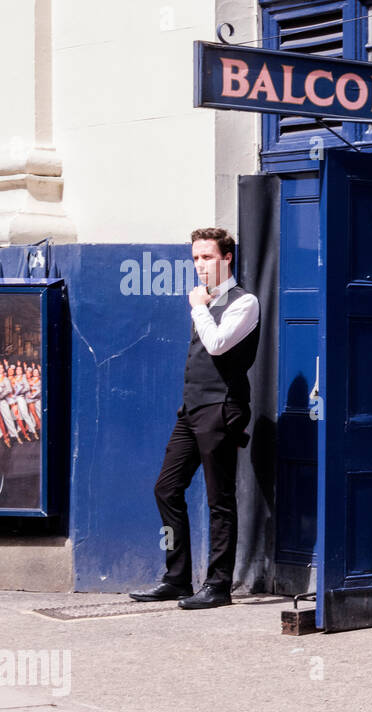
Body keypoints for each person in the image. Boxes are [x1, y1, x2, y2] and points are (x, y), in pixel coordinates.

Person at [130, 227, 260, 609]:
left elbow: (218, 345)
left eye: (207, 257)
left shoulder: (244, 301)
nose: (200, 265)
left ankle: (218, 585)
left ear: (227, 258)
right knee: (165, 488)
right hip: (192, 410)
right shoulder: (205, 299)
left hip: (222, 407)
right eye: (196, 258)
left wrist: (199, 307)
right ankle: (176, 577)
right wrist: (201, 304)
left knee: (220, 499)